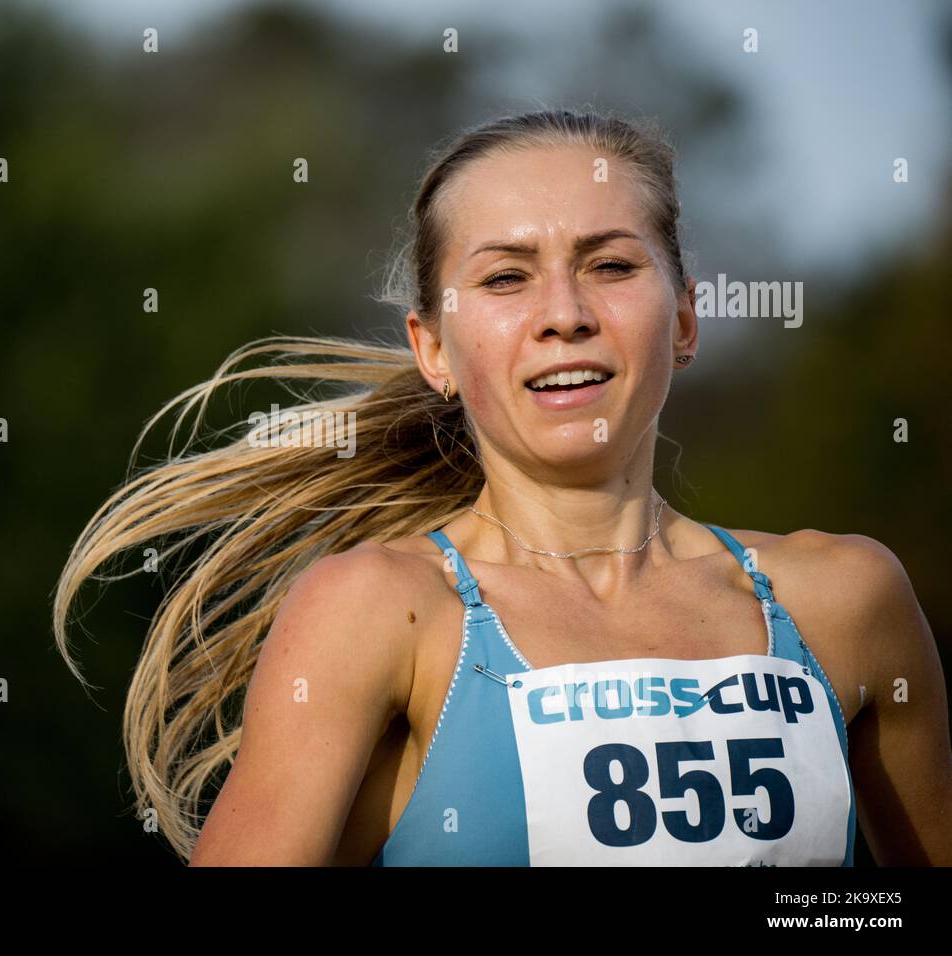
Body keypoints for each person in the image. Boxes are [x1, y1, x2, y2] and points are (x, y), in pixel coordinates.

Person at [52, 109, 952, 866]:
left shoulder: (847, 600)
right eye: (506, 278)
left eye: (610, 265)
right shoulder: (375, 611)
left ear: (683, 317)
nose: (564, 315)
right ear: (434, 348)